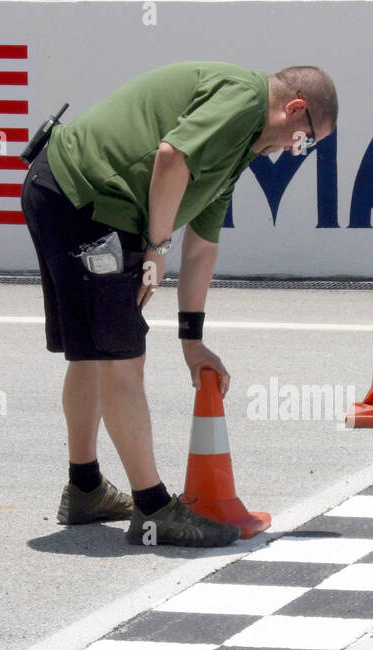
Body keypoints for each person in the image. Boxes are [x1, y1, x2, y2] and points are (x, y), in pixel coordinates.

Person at [20, 62, 337, 547]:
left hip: (63, 190)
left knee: (91, 352)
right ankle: (153, 510)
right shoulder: (245, 100)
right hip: (88, 199)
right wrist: (155, 245)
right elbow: (171, 158)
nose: (299, 152)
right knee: (123, 359)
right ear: (294, 108)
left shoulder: (238, 149)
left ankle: (84, 489)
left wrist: (193, 340)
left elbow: (203, 245)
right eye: (305, 138)